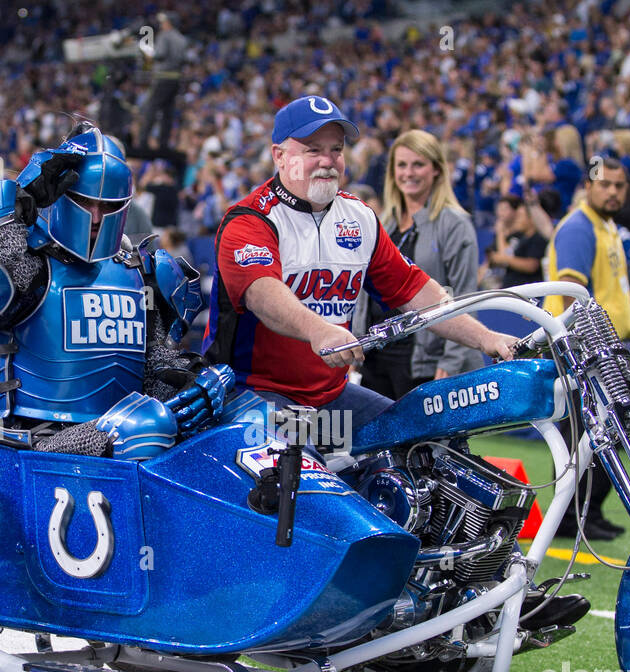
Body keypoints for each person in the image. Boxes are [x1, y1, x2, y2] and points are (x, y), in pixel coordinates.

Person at [204, 95, 521, 433]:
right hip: (253, 393)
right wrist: (319, 330)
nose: (328, 161)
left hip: (331, 397)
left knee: (420, 442)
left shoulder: (360, 217)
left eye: (336, 150)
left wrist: (485, 338)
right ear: (279, 156)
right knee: (298, 470)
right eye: (313, 150)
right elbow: (264, 296)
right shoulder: (248, 220)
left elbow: (413, 289)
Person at [0, 124, 230, 458]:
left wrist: (193, 386)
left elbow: (150, 364)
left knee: (237, 416)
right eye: (86, 201)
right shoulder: (26, 259)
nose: (96, 216)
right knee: (147, 429)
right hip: (27, 439)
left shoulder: (135, 269)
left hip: (118, 432)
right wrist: (15, 203)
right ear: (61, 195)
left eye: (109, 206)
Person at [543, 156, 630, 541]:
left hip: (605, 347)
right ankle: (570, 517)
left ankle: (589, 511)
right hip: (586, 347)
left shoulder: (606, 227)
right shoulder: (580, 228)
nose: (612, 192)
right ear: (589, 186)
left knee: (601, 433)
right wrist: (581, 350)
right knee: (581, 433)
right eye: (605, 185)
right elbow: (570, 293)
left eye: (619, 185)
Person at [363, 128, 482, 396]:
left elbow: (465, 295)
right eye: (402, 165)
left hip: (425, 362)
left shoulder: (454, 223)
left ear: (437, 170)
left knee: (428, 440)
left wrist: (451, 360)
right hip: (377, 357)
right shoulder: (384, 223)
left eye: (418, 164)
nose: (409, 173)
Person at [139, 12, 188, 150]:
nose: (162, 24)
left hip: (163, 77)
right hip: (176, 79)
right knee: (168, 111)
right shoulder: (182, 38)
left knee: (152, 109)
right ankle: (163, 143)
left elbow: (160, 54)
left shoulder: (164, 36)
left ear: (169, 23)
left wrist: (148, 53)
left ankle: (143, 141)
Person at [484, 195, 548, 289]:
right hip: (510, 289)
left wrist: (505, 259)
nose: (517, 220)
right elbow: (505, 253)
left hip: (526, 291)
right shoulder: (520, 237)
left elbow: (531, 265)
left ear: (531, 219)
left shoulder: (537, 238)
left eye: (521, 216)